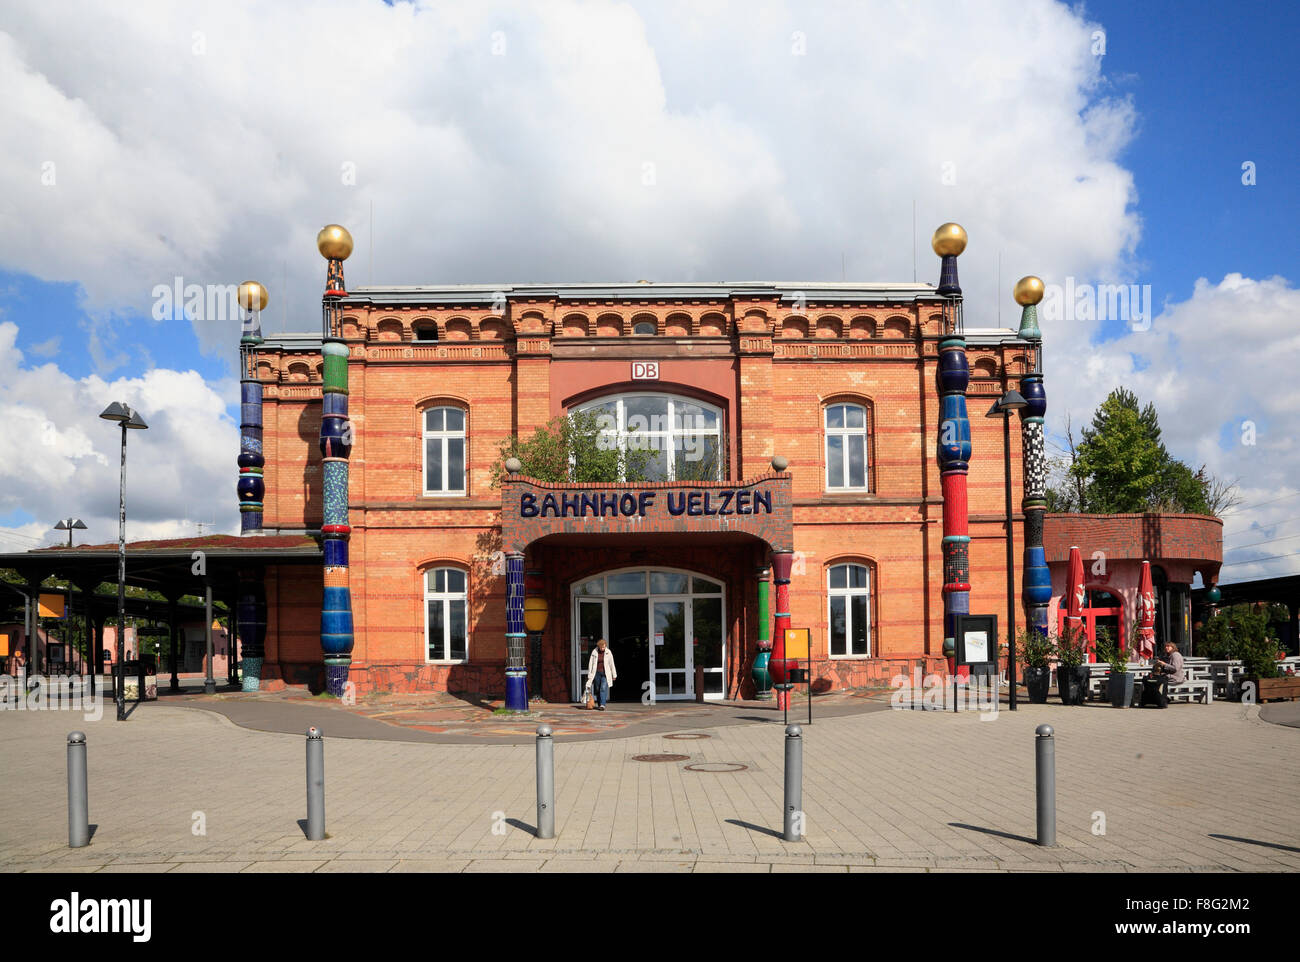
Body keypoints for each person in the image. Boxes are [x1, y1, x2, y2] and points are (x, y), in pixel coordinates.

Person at [1143, 639, 1184, 708]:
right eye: (1165, 646)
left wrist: (1164, 664)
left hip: (1176, 677)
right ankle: (1158, 697)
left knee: (1156, 681)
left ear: (1173, 647)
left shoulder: (1175, 655)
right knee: (1153, 679)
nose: (1166, 648)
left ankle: (1161, 697)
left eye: (1168, 646)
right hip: (1170, 676)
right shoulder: (1168, 655)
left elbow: (1175, 668)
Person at [586, 637, 617, 711]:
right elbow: (591, 664)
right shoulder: (594, 652)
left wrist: (614, 675)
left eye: (604, 646)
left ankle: (603, 705)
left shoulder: (608, 652)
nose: (603, 648)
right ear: (599, 646)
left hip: (605, 673)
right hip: (596, 673)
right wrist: (589, 675)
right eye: (602, 647)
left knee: (603, 688)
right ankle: (600, 703)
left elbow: (611, 664)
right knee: (597, 689)